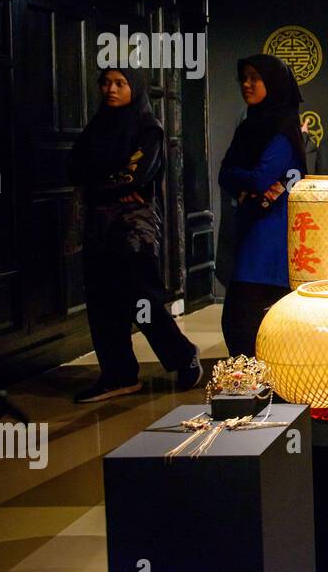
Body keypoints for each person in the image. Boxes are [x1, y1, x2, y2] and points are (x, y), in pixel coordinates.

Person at [68, 65, 201, 403]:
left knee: (142, 300)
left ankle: (183, 355)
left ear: (134, 88)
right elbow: (74, 168)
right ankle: (118, 375)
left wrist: (107, 182)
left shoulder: (147, 127)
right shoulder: (97, 128)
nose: (111, 89)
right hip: (98, 228)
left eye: (120, 83)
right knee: (101, 302)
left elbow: (136, 176)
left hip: (133, 230)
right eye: (106, 83)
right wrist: (110, 182)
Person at [218, 54, 306, 357]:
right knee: (241, 318)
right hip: (249, 228)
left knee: (245, 316)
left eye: (255, 78)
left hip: (270, 238)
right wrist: (244, 180)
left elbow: (256, 179)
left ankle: (260, 384)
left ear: (274, 82)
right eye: (244, 77)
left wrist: (242, 179)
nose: (247, 84)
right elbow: (224, 174)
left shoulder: (283, 128)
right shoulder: (248, 128)